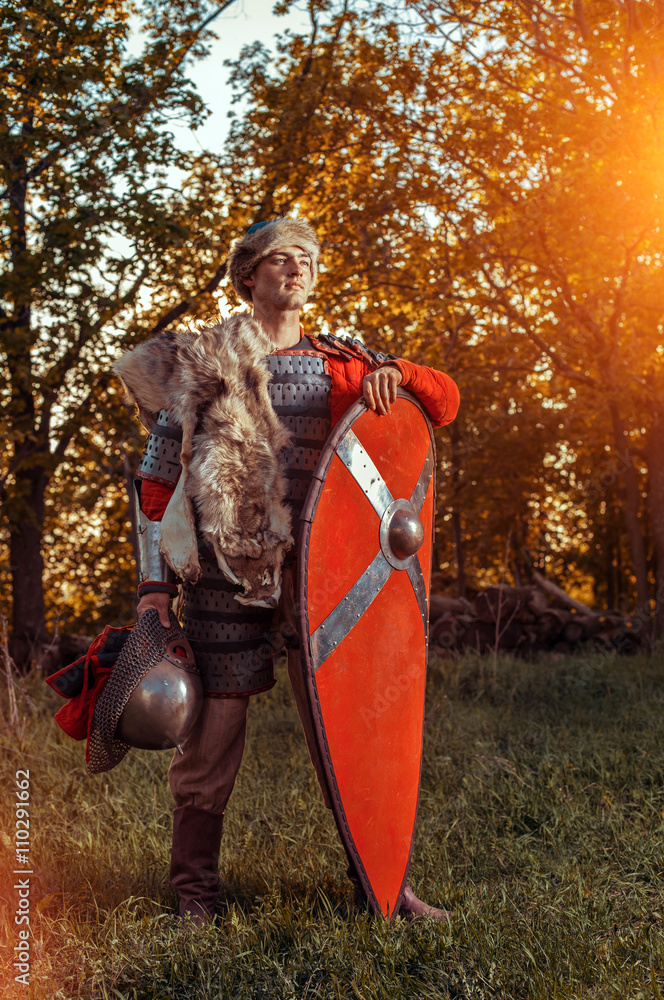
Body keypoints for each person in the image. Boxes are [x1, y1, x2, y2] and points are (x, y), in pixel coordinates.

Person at [118, 217, 460, 924]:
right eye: (279, 259)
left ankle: (385, 888)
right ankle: (193, 892)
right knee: (213, 734)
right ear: (249, 275)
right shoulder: (203, 362)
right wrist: (154, 589)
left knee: (353, 723)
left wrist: (402, 374)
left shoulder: (345, 364)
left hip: (328, 581)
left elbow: (443, 403)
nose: (295, 270)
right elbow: (154, 484)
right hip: (224, 573)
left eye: (305, 259)